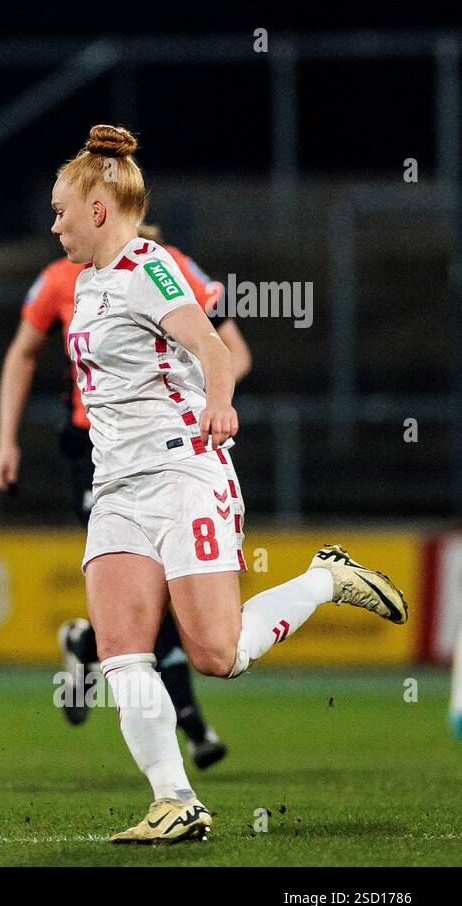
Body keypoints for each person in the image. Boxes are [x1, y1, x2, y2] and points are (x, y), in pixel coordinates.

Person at [46, 124, 406, 844]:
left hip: (184, 472)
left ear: (97, 210)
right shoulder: (85, 286)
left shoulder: (149, 268)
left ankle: (325, 580)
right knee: (121, 651)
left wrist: (219, 400)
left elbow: (210, 344)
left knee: (218, 656)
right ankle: (174, 799)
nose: (53, 224)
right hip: (117, 489)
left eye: (60, 209)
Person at [0, 221, 251, 770]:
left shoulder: (168, 267)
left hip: (175, 454)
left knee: (172, 618)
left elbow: (229, 348)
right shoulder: (64, 279)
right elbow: (22, 354)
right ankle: (192, 737)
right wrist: (5, 441)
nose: (58, 224)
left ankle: (89, 646)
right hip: (98, 455)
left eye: (65, 211)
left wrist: (206, 399)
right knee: (145, 609)